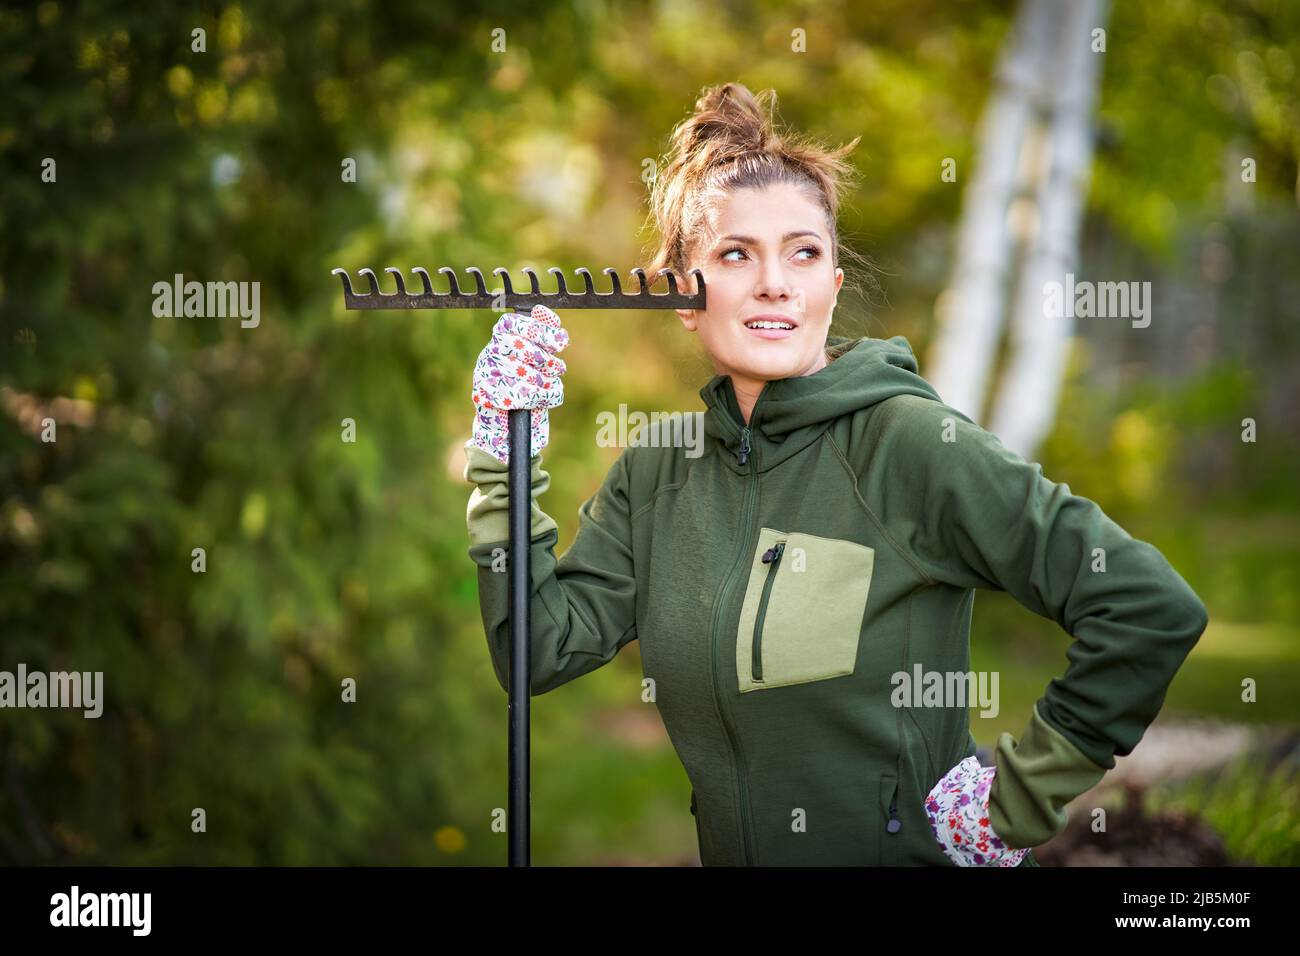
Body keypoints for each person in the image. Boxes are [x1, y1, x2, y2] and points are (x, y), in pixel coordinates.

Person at [461, 82, 1209, 866]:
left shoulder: (911, 445)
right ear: (684, 292)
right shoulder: (658, 471)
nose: (775, 283)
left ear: (832, 286)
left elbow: (1145, 605)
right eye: (736, 254)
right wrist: (505, 454)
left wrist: (1016, 800)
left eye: (804, 253)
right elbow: (536, 649)